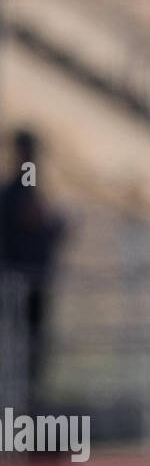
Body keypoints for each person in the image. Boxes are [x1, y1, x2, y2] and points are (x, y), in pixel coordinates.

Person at [0, 128, 67, 420]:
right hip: (21, 284)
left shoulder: (24, 187)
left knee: (29, 348)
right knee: (21, 347)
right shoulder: (19, 189)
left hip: (31, 282)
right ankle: (19, 406)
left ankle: (24, 404)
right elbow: (32, 220)